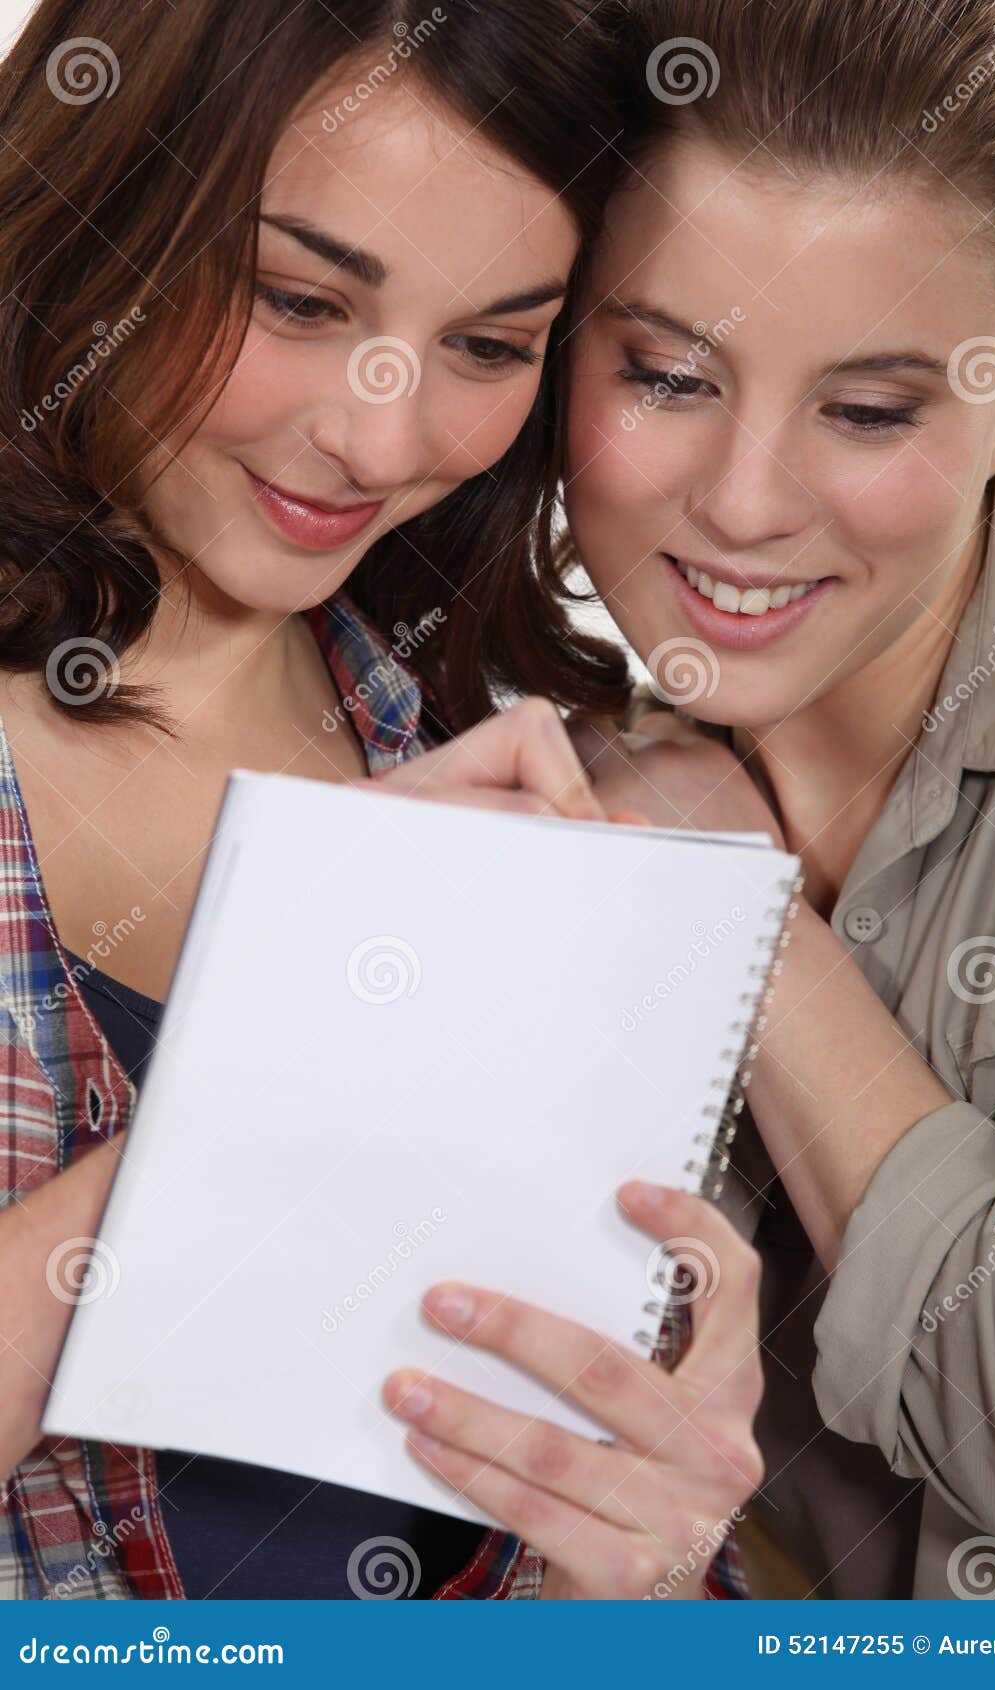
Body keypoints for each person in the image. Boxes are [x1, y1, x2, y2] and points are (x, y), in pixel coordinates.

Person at [0, 0, 763, 1600]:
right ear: (109, 204)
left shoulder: (501, 756)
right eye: (296, 296)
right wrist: (259, 1062)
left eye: (489, 345)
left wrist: (639, 1565)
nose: (377, 432)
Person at [553, 0, 995, 1600]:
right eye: (665, 373)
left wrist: (756, 930)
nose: (746, 504)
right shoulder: (487, 738)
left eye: (868, 409)